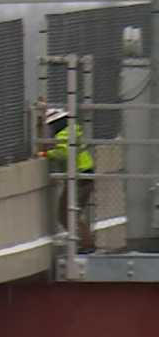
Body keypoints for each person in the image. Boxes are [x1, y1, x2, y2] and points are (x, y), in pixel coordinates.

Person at [43, 107, 96, 252]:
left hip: (79, 176)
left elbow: (64, 154)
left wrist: (45, 154)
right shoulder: (71, 130)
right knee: (70, 213)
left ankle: (87, 245)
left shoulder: (64, 134)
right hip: (82, 175)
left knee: (67, 214)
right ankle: (84, 244)